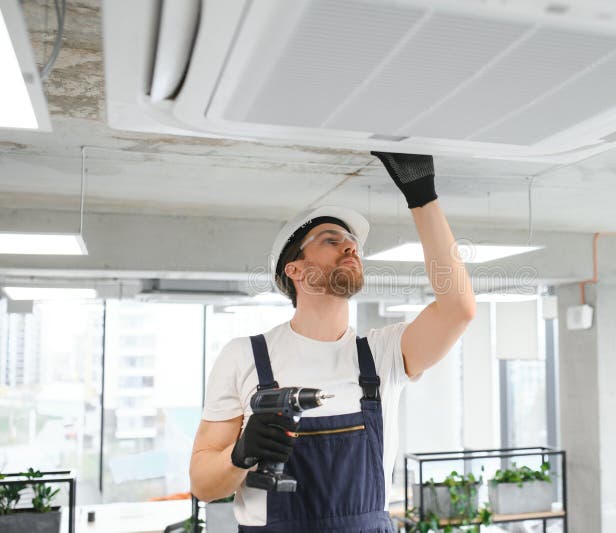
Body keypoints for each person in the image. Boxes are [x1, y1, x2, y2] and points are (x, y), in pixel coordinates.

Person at [189, 152, 475, 532]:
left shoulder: (383, 354)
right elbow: (203, 486)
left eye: (353, 242)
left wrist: (422, 196)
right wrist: (239, 455)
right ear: (295, 269)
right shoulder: (246, 357)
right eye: (331, 239)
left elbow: (458, 309)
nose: (351, 247)